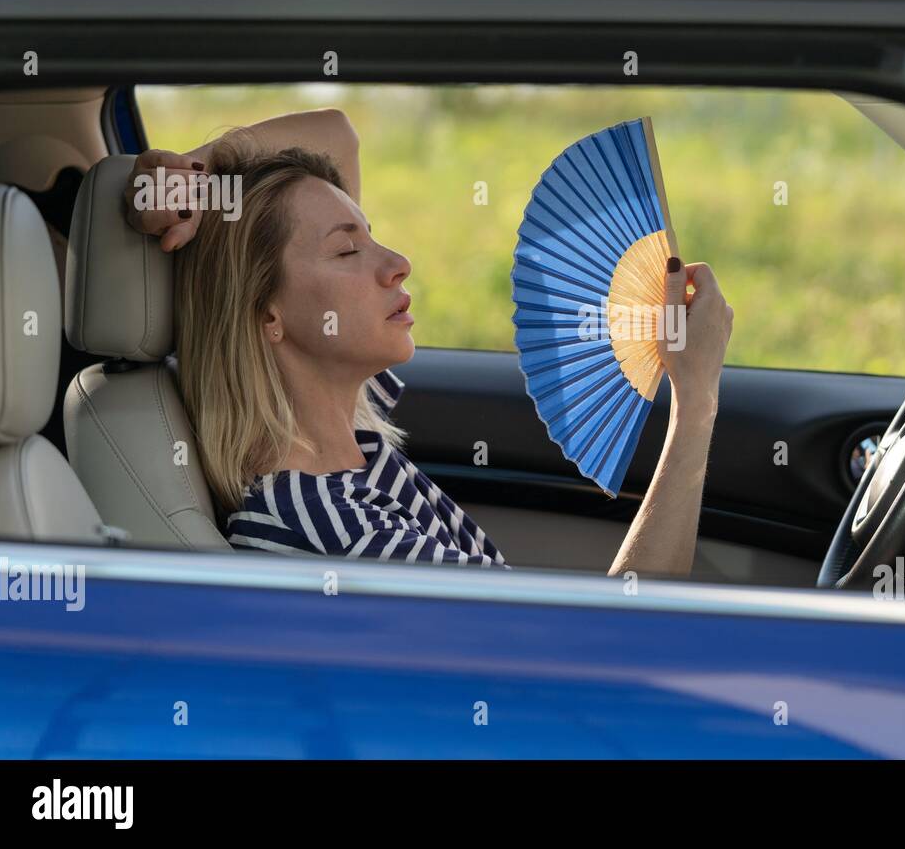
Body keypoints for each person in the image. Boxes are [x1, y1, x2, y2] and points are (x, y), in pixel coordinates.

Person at [124, 108, 732, 576]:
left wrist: (195, 176)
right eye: (346, 250)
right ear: (266, 315)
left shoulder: (350, 435)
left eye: (374, 235)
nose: (398, 263)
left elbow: (336, 136)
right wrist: (696, 396)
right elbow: (602, 656)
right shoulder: (324, 523)